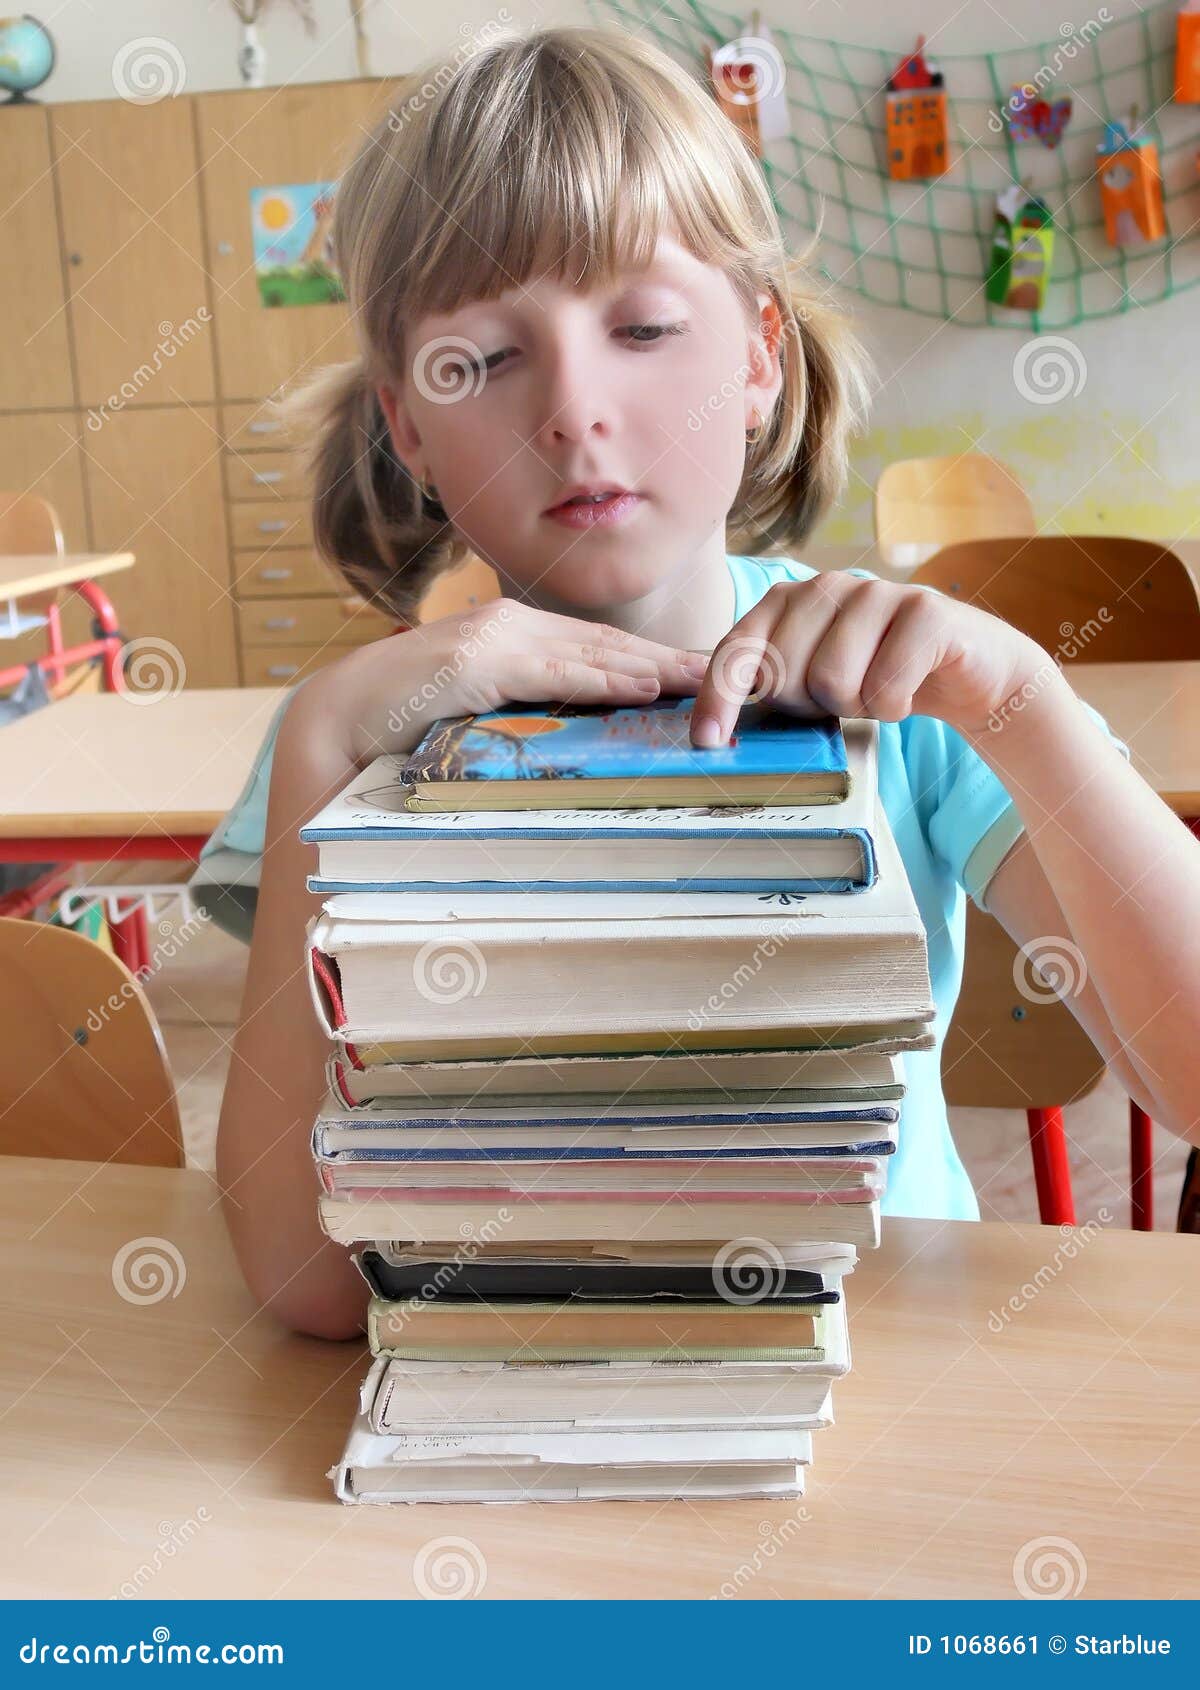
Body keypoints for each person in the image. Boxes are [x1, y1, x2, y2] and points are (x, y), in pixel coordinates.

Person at [200, 26, 1200, 1339]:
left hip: (876, 1368)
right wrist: (321, 737)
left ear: (758, 355)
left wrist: (1017, 700)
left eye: (646, 327)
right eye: (483, 358)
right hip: (506, 1366)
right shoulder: (358, 737)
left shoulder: (899, 699)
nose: (575, 410)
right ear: (408, 428)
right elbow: (305, 1283)